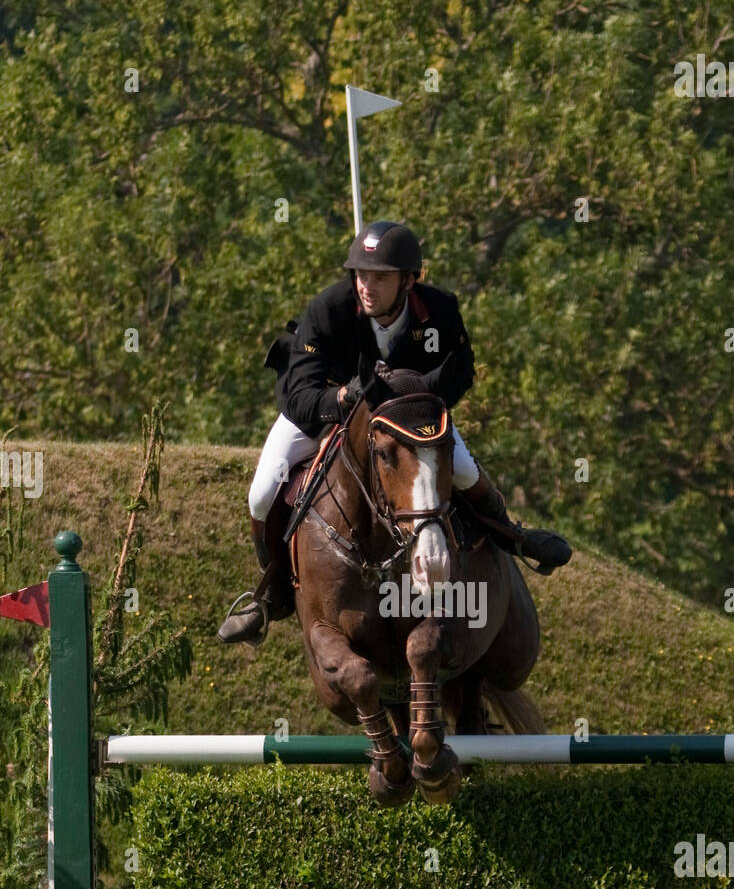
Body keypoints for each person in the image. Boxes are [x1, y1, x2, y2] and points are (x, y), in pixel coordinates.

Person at [218, 220, 571, 644]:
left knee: (463, 471)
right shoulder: (327, 310)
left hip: (407, 417)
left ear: (409, 279)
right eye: (361, 275)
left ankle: (511, 536)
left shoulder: (439, 309)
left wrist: (418, 400)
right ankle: (271, 595)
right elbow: (298, 393)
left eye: (381, 277)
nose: (367, 286)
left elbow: (460, 369)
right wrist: (343, 399)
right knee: (260, 492)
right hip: (324, 413)